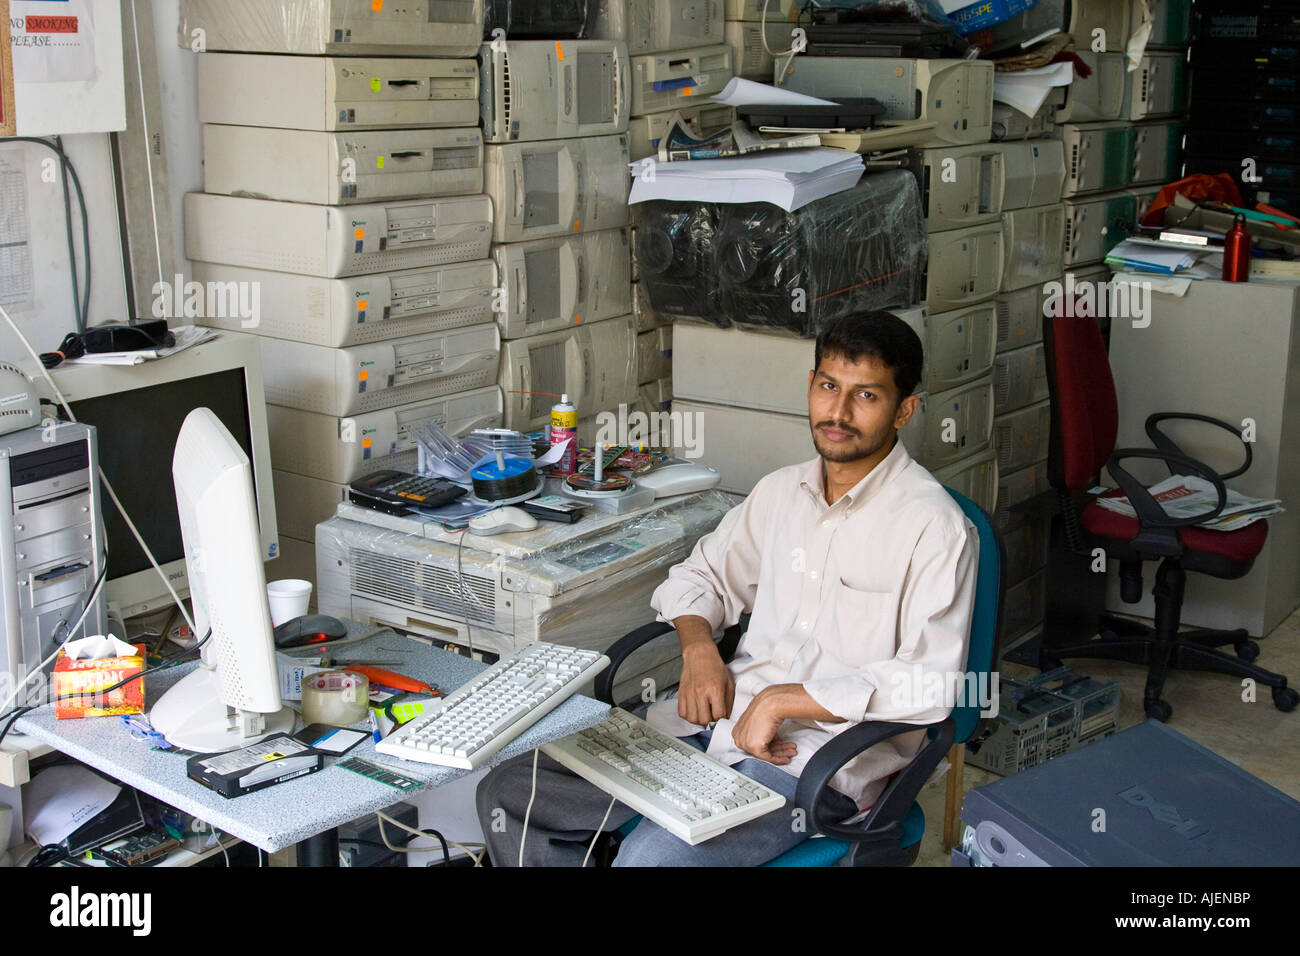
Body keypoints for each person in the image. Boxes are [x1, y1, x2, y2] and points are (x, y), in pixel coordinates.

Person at [475, 310, 979, 866]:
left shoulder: (935, 527)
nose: (838, 412)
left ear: (904, 409)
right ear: (811, 386)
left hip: (812, 763)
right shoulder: (781, 493)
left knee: (647, 863)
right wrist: (696, 647)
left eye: (866, 396)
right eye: (829, 387)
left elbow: (931, 683)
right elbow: (701, 577)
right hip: (710, 725)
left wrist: (784, 700)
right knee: (510, 793)